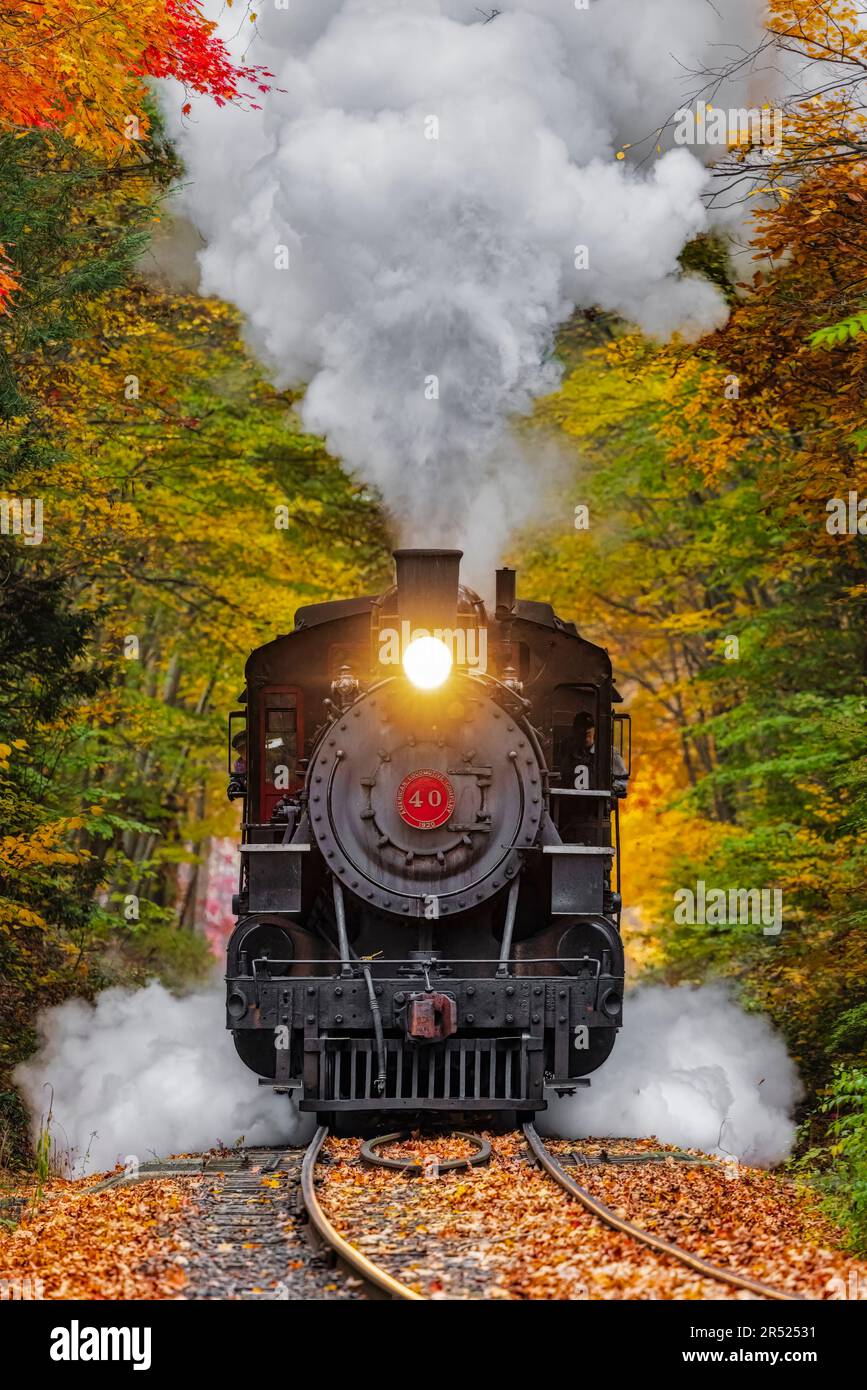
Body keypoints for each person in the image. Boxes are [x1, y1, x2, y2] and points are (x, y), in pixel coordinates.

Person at [227, 730, 247, 802]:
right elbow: (236, 779)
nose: (243, 751)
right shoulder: (238, 764)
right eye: (239, 749)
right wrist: (234, 785)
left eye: (244, 747)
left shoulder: (264, 759)